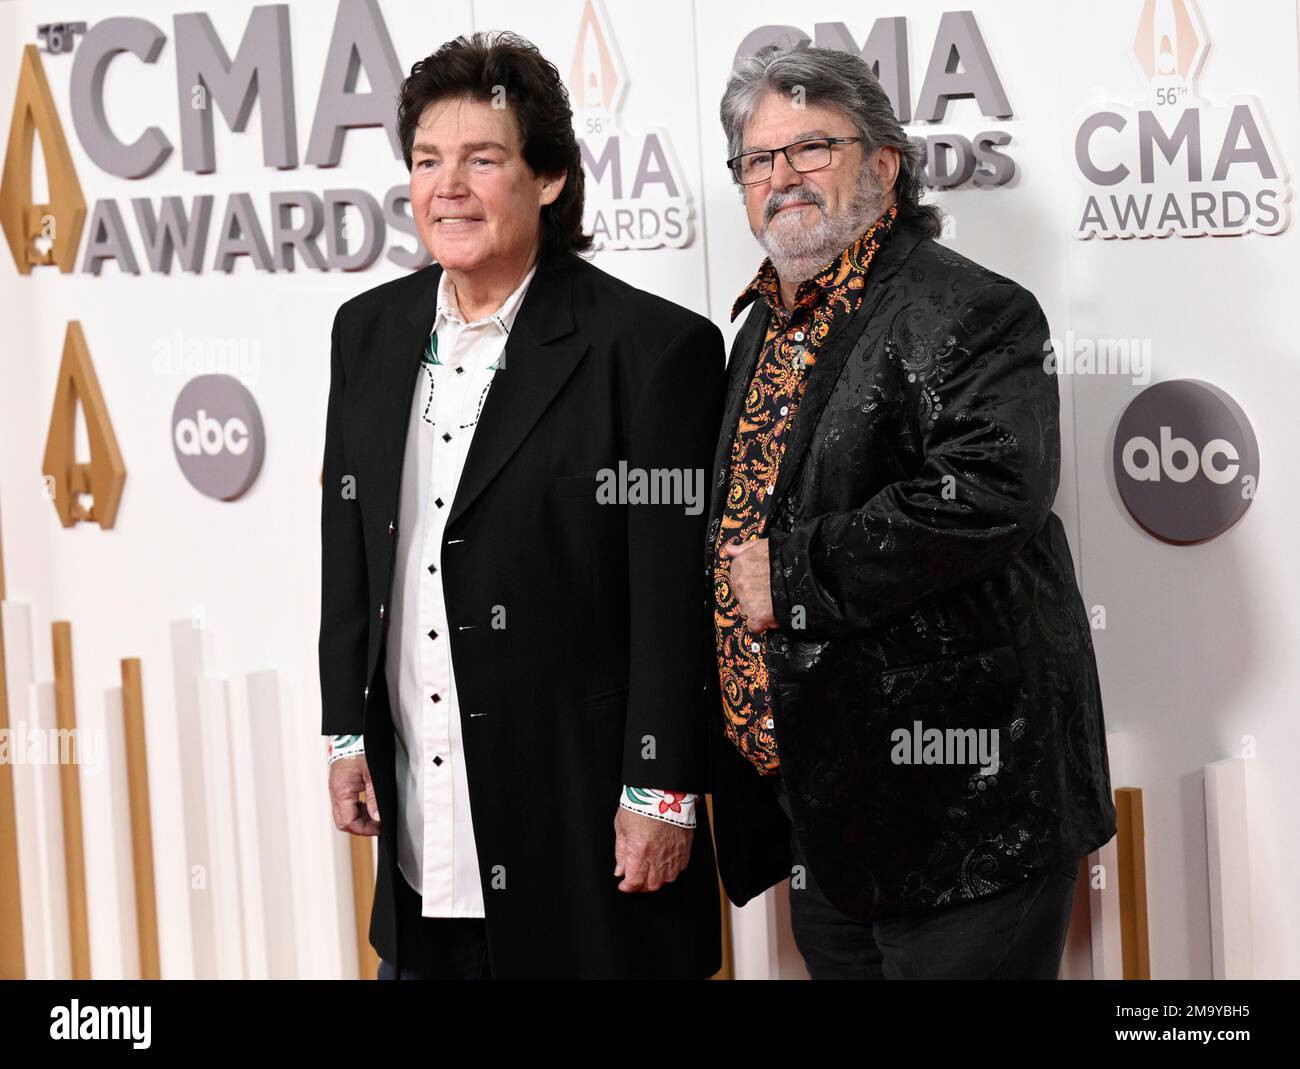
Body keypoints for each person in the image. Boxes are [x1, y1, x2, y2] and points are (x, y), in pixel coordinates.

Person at [706, 42, 1117, 979]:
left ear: (885, 165)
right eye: (759, 160)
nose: (783, 178)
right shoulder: (762, 326)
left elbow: (990, 491)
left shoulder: (974, 310)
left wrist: (797, 573)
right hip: (827, 819)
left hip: (965, 816)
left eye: (811, 148)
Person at [318, 31, 724, 979]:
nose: (446, 186)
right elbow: (349, 541)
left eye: (481, 159)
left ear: (549, 178)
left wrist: (662, 790)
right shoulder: (367, 333)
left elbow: (672, 600)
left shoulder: (651, 350)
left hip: (583, 833)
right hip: (421, 823)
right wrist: (346, 729)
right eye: (426, 161)